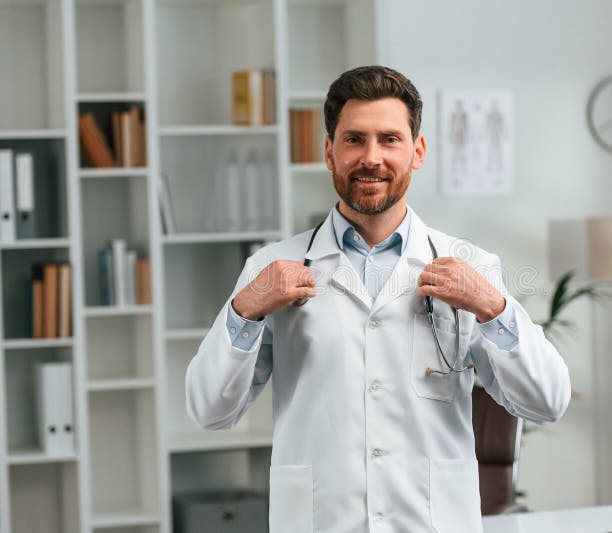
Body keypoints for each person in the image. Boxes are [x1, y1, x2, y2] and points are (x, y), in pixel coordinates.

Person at [185, 66, 571, 533]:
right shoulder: (272, 268)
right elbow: (209, 410)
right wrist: (244, 308)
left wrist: (493, 308)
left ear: (417, 151)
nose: (372, 158)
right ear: (329, 152)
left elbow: (547, 401)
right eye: (354, 140)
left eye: (389, 139)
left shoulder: (471, 267)